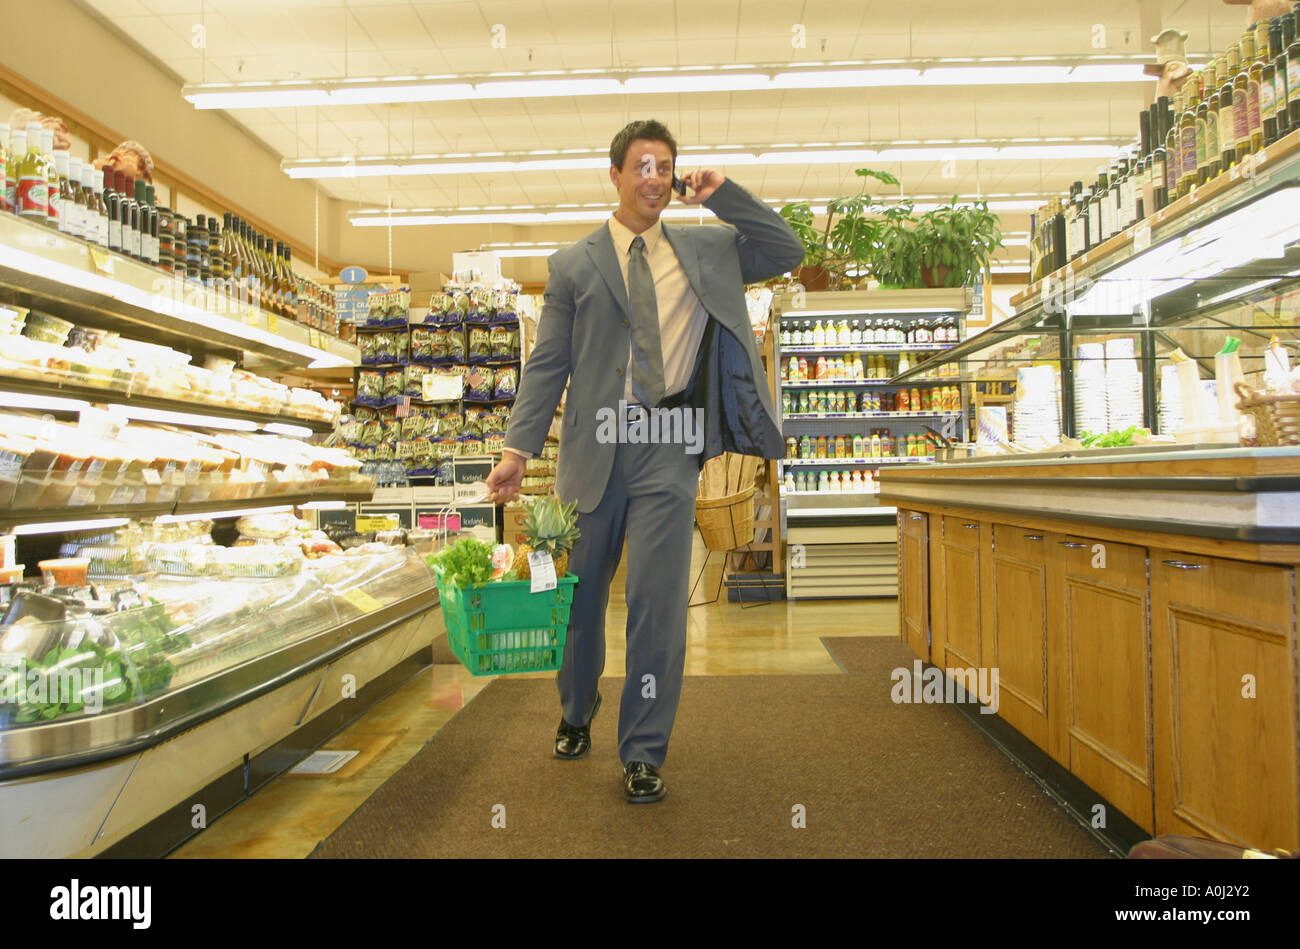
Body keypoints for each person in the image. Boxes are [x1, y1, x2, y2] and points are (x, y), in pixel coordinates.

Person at [485, 119, 802, 803]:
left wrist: (723, 195)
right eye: (642, 166)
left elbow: (786, 248)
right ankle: (576, 709)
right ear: (617, 175)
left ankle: (644, 749)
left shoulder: (708, 248)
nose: (654, 178)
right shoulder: (573, 265)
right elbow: (549, 364)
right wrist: (516, 448)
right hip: (591, 448)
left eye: (665, 167)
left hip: (669, 442)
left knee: (658, 604)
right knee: (580, 598)